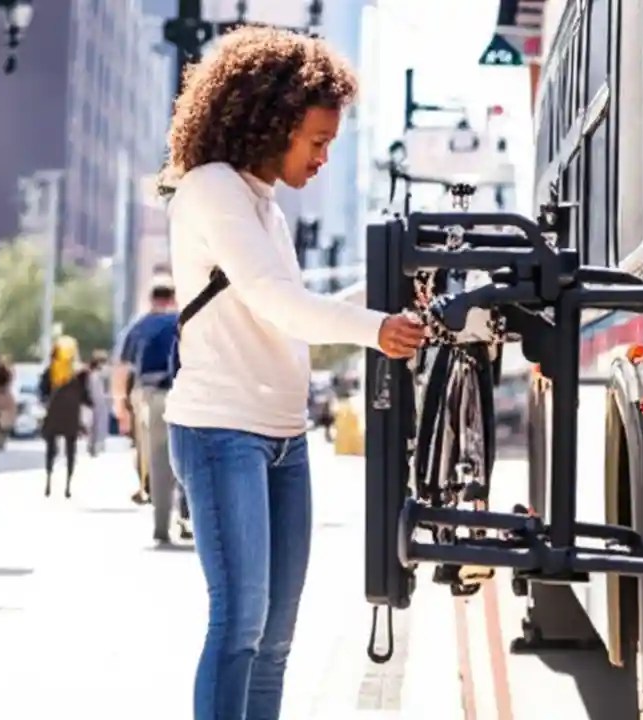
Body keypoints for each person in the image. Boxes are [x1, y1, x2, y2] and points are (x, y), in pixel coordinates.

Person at [158, 27, 425, 720]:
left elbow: (289, 315)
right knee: (240, 624)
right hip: (221, 432)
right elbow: (279, 301)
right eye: (316, 140)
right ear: (270, 122)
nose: (324, 157)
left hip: (282, 438)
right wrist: (377, 332)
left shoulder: (263, 206)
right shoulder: (212, 189)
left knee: (275, 641)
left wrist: (386, 295)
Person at [112, 278, 192, 544]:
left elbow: (122, 369)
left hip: (150, 397)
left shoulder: (139, 326)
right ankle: (187, 517)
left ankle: (160, 526)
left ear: (152, 300)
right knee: (188, 458)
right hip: (186, 395)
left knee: (157, 459)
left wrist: (120, 405)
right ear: (173, 298)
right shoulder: (184, 320)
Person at [39, 336, 92, 498]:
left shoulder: (50, 372)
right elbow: (85, 397)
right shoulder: (79, 374)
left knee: (50, 449)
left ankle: (48, 479)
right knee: (71, 450)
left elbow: (43, 392)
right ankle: (67, 486)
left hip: (53, 415)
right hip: (71, 417)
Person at [86, 350, 111, 457]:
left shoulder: (102, 372)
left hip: (100, 400)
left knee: (99, 423)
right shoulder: (91, 373)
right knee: (93, 423)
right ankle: (92, 444)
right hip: (93, 400)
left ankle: (97, 445)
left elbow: (108, 386)